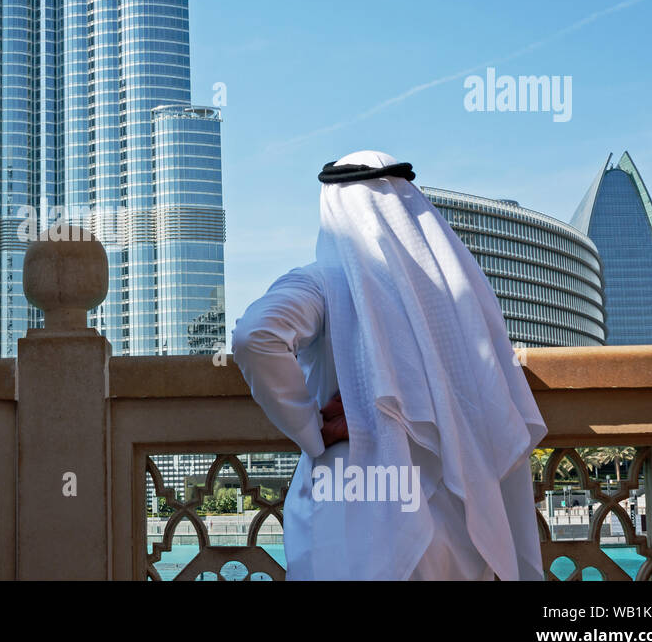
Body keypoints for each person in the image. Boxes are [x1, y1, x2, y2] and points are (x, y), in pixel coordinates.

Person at [231, 150, 547, 580]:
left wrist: (311, 430)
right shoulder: (452, 299)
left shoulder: (324, 281)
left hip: (355, 524)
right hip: (457, 529)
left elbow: (256, 336)